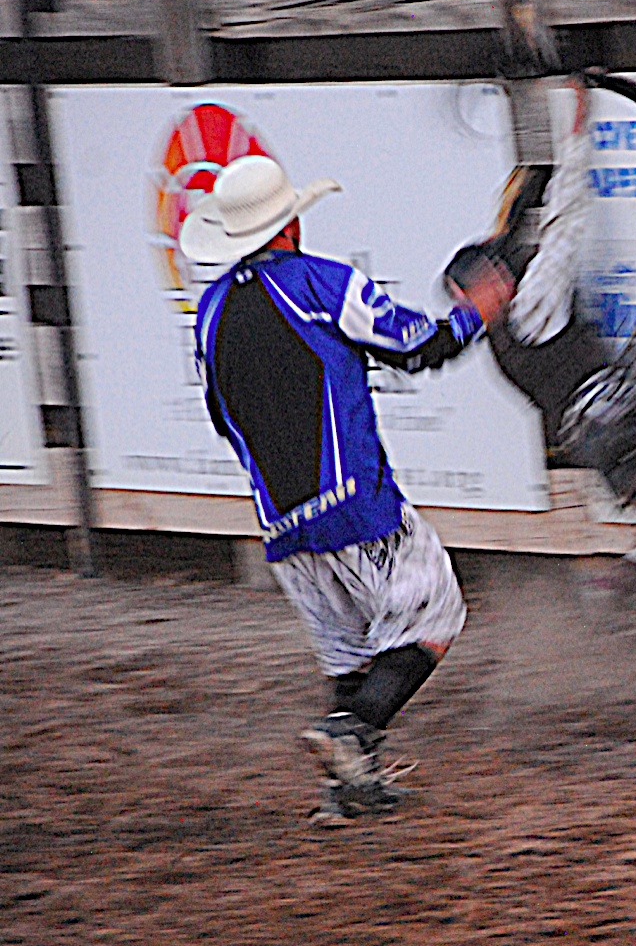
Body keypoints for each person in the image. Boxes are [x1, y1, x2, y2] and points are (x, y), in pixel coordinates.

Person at [181, 154, 506, 821]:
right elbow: (415, 345)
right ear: (290, 223)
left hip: (281, 521)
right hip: (355, 504)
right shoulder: (320, 283)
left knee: (351, 648)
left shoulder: (211, 313)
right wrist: (477, 312)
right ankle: (348, 736)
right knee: (434, 613)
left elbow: (222, 416)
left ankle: (348, 786)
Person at [442, 84, 636, 613]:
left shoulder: (496, 343)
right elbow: (566, 220)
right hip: (626, 409)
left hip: (594, 440)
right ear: (488, 284)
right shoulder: (533, 303)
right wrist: (577, 129)